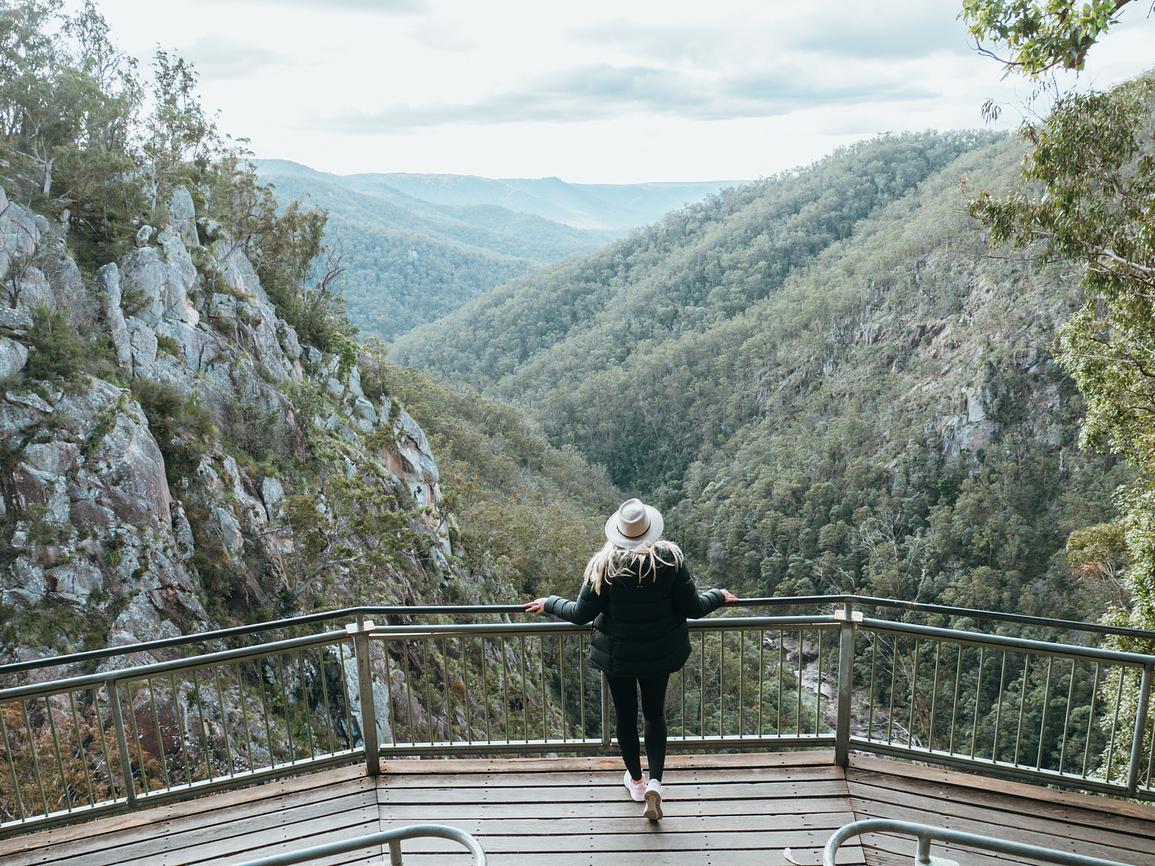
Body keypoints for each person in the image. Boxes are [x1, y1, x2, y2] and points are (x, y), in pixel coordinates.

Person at [523, 498, 738, 822]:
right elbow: (693, 607)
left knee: (626, 718)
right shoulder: (669, 561)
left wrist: (550, 602)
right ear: (650, 530)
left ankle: (637, 783)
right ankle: (656, 782)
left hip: (619, 657)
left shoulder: (605, 566)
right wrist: (718, 596)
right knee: (654, 716)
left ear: (619, 533)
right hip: (659, 655)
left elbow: (581, 614)